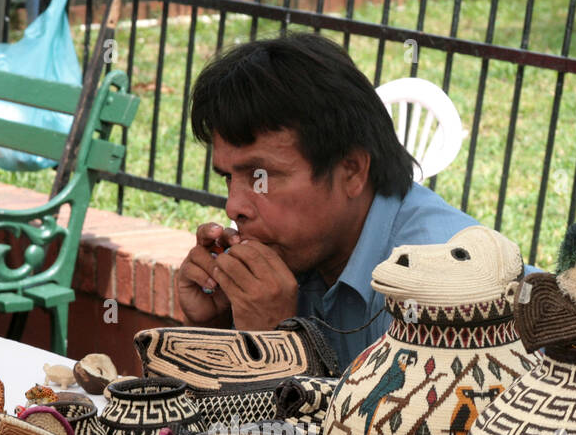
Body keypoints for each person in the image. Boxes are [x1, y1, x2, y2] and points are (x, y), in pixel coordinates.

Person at [177, 34, 478, 371]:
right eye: (228, 177)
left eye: (261, 177)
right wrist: (213, 329)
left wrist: (277, 347)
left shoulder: (437, 294)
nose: (234, 207)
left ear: (351, 171)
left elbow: (398, 407)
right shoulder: (304, 252)